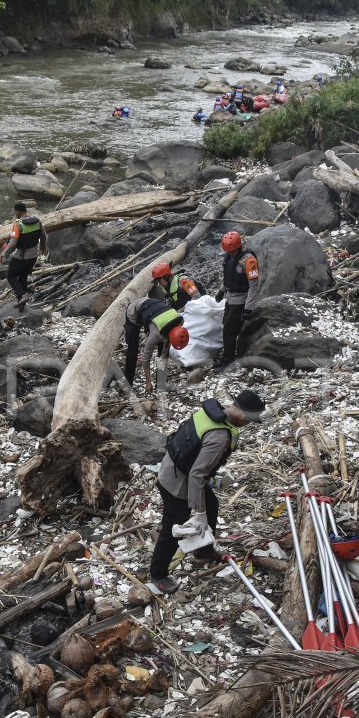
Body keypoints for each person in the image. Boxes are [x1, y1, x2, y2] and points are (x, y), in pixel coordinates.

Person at [149, 390, 265, 594]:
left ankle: (204, 550)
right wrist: (199, 514)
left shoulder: (214, 410)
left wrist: (204, 509)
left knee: (212, 505)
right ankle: (158, 574)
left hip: (172, 466)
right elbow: (196, 475)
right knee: (175, 525)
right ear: (245, 417)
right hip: (177, 482)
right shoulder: (220, 436)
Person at [122, 297, 190, 393]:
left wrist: (164, 353)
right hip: (134, 311)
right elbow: (146, 358)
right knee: (133, 349)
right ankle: (128, 383)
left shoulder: (179, 322)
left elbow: (164, 354)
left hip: (155, 308)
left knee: (163, 349)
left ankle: (160, 383)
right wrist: (148, 382)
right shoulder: (155, 334)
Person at [217, 231, 260, 367]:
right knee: (226, 326)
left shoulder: (249, 261)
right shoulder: (228, 256)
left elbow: (253, 286)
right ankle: (227, 357)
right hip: (230, 298)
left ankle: (229, 361)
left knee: (229, 330)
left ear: (239, 247)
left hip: (241, 300)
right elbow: (228, 276)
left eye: (232, 251)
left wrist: (248, 308)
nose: (230, 253)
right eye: (228, 251)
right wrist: (221, 291)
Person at [0, 201, 48, 307]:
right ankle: (21, 303)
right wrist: (43, 247)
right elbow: (44, 236)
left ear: (18, 212)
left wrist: (2, 255)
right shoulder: (37, 221)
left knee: (11, 277)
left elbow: (12, 243)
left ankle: (23, 295)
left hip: (21, 258)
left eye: (16, 213)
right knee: (22, 277)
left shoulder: (18, 224)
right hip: (33, 257)